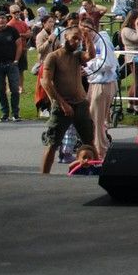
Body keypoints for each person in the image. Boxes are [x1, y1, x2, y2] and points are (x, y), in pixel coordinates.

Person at [40, 26, 96, 172]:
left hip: (80, 104)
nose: (76, 42)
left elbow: (90, 55)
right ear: (66, 37)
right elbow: (46, 82)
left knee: (89, 141)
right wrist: (62, 104)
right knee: (52, 144)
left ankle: (98, 171)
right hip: (62, 106)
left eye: (79, 39)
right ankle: (43, 177)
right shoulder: (53, 57)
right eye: (74, 39)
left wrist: (87, 38)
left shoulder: (77, 56)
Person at [85, 27, 120, 161]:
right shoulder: (94, 42)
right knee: (94, 121)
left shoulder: (102, 41)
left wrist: (88, 66)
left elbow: (107, 63)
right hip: (95, 82)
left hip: (103, 84)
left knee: (97, 121)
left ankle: (101, 153)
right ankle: (97, 149)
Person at [0, 10, 23, 121]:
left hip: (11, 64)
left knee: (15, 89)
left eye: (3, 18)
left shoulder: (12, 31)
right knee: (1, 89)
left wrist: (16, 60)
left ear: (6, 19)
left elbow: (19, 45)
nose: (1, 20)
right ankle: (5, 113)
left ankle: (15, 113)